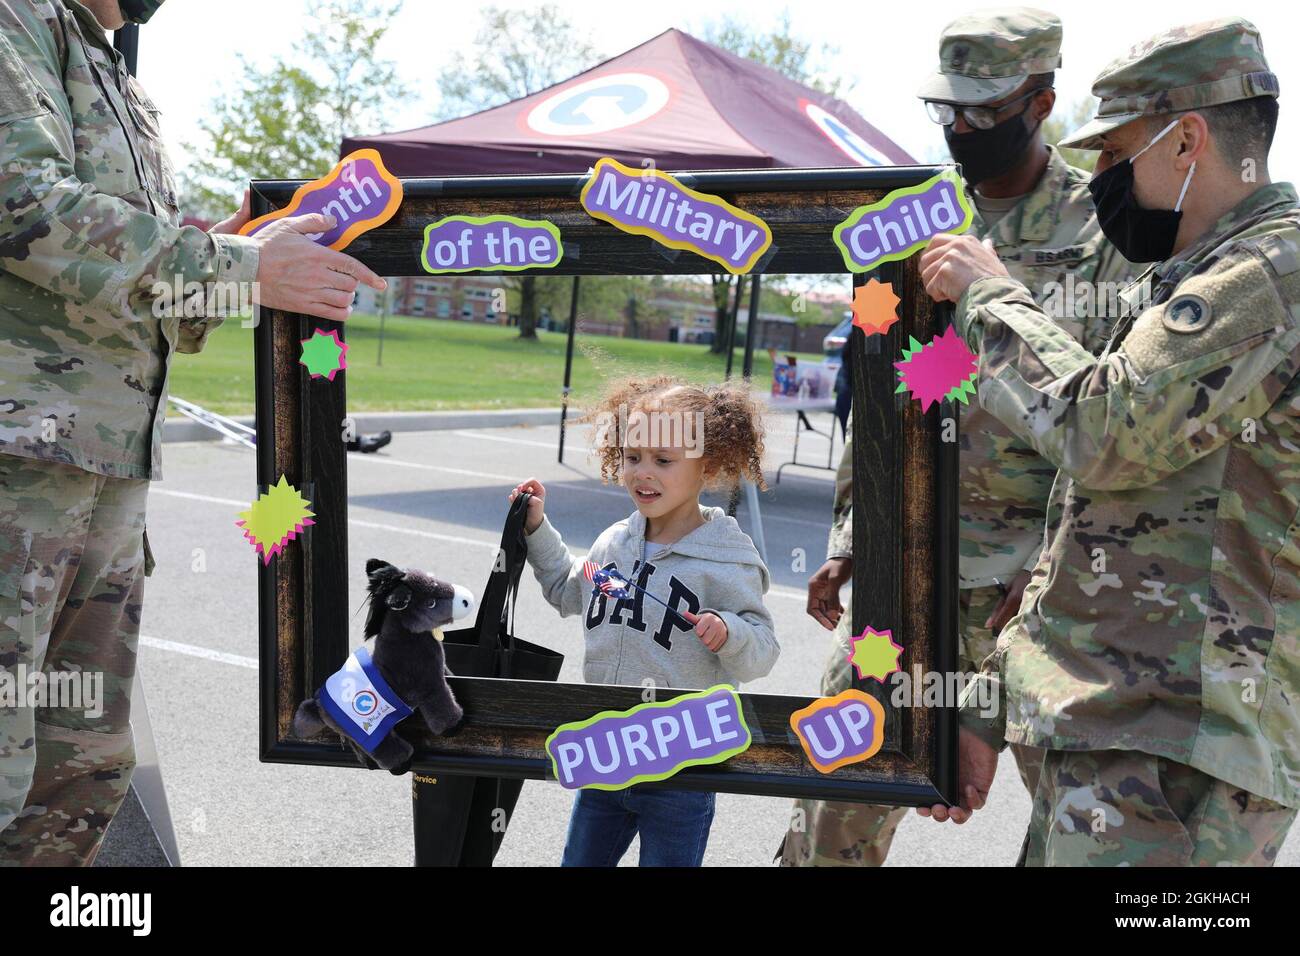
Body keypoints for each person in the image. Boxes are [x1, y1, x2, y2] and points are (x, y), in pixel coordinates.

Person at [0, 0, 384, 865]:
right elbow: (20, 204)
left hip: (99, 475)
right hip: (17, 472)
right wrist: (238, 268)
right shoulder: (19, 16)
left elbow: (124, 293)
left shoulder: (108, 69)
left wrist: (244, 259)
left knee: (80, 772)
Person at [916, 17, 1299, 866]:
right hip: (1120, 737)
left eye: (1117, 151)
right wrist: (991, 700)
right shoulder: (1201, 278)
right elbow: (1093, 518)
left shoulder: (1271, 275)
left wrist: (992, 298)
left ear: (1188, 139)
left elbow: (1104, 433)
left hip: (1180, 761)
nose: (1100, 179)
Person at [779, 6, 1134, 867]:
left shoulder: (1111, 233)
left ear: (1042, 102)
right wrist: (850, 535)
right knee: (837, 803)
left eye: (985, 110)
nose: (963, 129)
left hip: (1037, 602)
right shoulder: (912, 217)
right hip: (903, 584)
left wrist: (1054, 570)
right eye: (950, 111)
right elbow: (886, 387)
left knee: (1090, 829)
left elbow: (1115, 421)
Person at [509, 376, 778, 866]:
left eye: (663, 460)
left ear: (708, 465)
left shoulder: (726, 559)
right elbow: (569, 589)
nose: (642, 473)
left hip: (681, 765)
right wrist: (536, 529)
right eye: (633, 456)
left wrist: (730, 631)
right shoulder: (615, 543)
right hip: (607, 750)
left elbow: (763, 650)